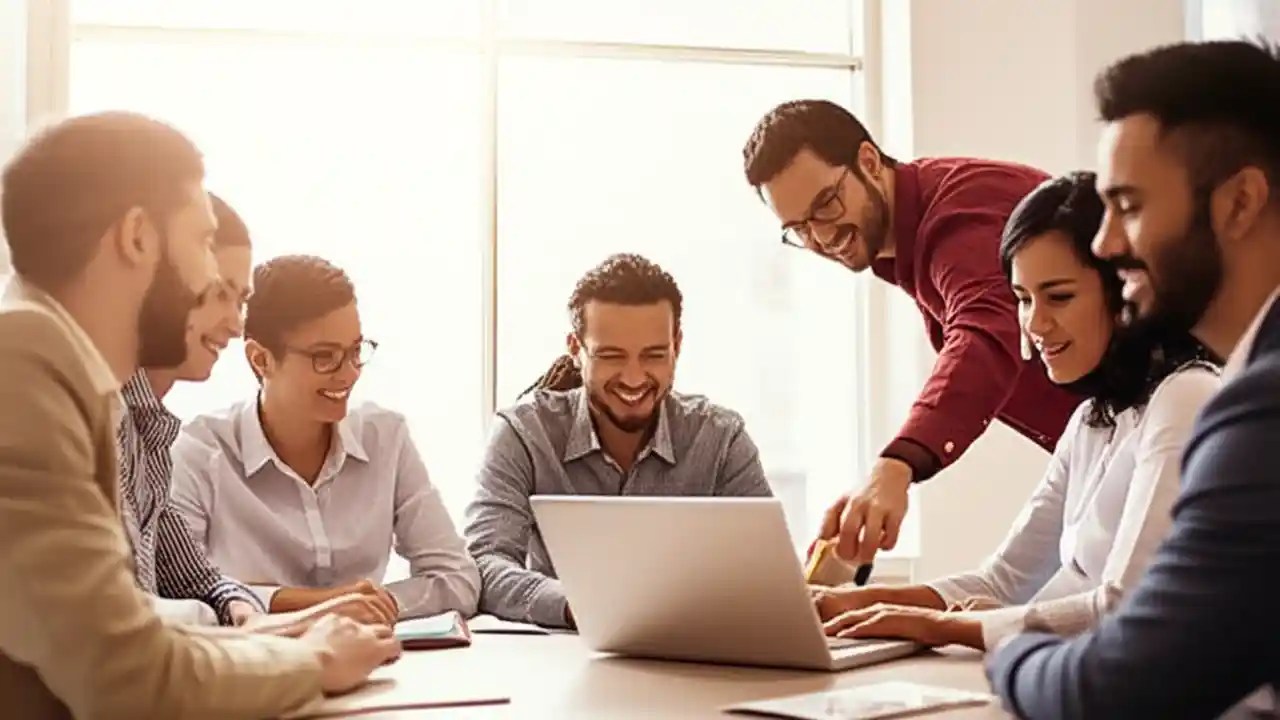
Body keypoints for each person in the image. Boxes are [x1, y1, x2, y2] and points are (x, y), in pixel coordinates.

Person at [0, 111, 398, 719]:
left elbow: (121, 636)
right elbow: (126, 676)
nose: (214, 278)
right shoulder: (25, 366)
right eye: (202, 241)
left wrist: (290, 637)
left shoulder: (69, 373)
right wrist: (313, 661)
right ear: (137, 236)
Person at [986, 39, 1280, 719]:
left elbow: (1120, 687)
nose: (1106, 243)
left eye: (1130, 205)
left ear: (1240, 203)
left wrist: (1005, 652)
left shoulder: (1259, 409)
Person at [810, 171, 1218, 652]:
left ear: (1124, 287)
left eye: (1058, 296)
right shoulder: (1091, 420)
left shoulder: (1185, 396)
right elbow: (1003, 582)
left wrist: (943, 627)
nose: (1035, 324)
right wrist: (859, 603)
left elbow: (1126, 605)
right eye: (1023, 299)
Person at [743, 101, 1082, 573]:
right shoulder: (910, 252)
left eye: (825, 204)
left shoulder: (959, 211)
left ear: (868, 161)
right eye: (799, 229)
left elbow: (983, 332)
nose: (821, 237)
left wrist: (896, 465)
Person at [464, 253, 773, 629]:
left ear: (677, 345)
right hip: (564, 651)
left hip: (694, 652)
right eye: (611, 356)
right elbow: (484, 563)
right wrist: (579, 605)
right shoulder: (524, 433)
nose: (633, 378)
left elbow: (763, 570)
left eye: (654, 355)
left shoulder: (721, 438)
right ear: (575, 349)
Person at [171, 254, 480, 623]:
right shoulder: (199, 451)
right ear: (261, 360)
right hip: (256, 668)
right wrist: (323, 604)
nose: (349, 374)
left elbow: (458, 578)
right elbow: (176, 593)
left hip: (377, 668)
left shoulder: (386, 438)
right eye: (325, 357)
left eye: (355, 351)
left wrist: (376, 605)